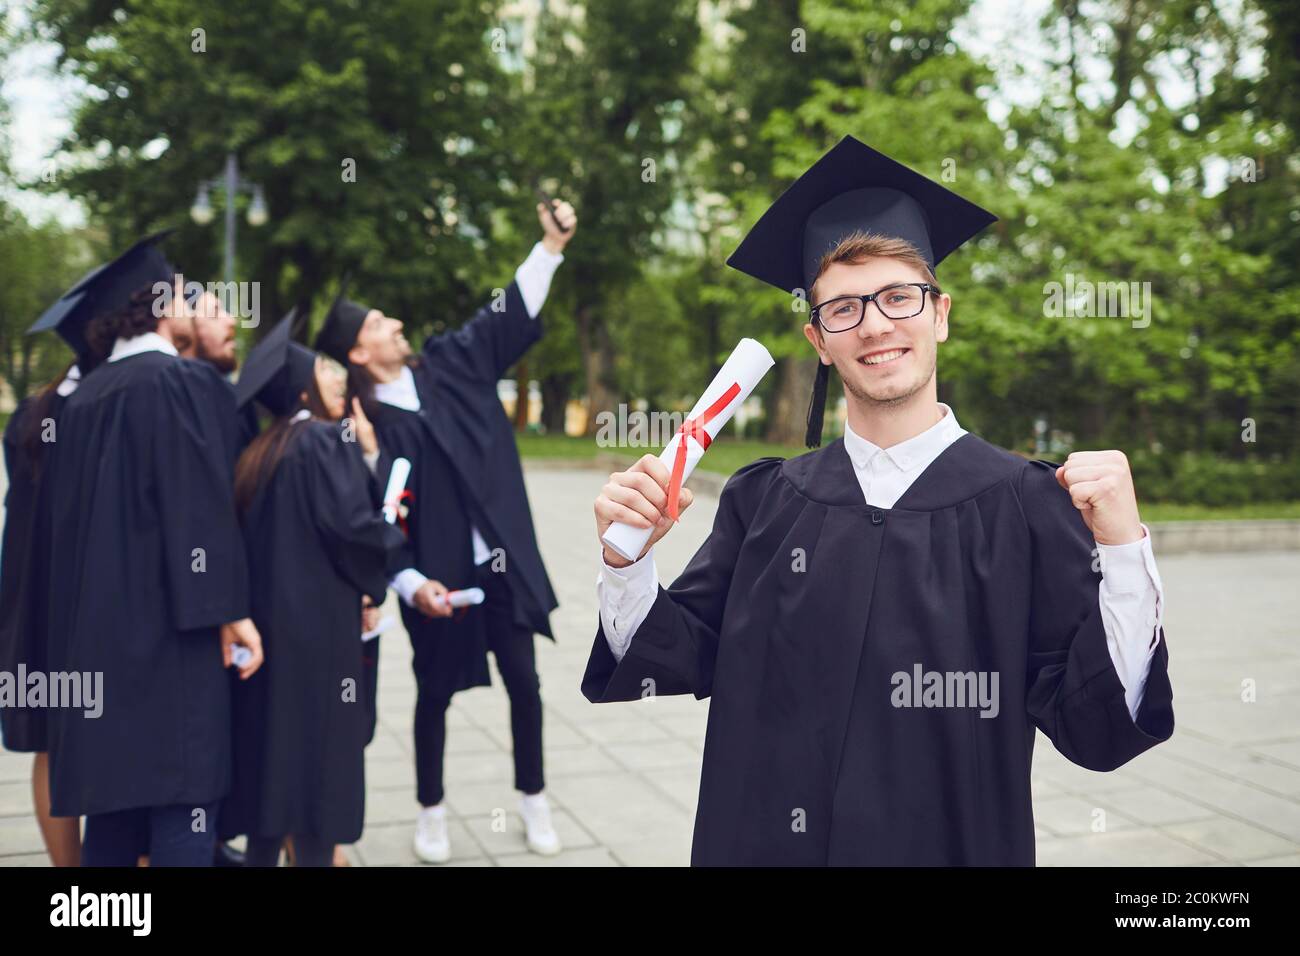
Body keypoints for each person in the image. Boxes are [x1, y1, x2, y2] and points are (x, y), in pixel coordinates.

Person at [586, 136, 1174, 866]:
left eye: (899, 296)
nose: (874, 323)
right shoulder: (766, 501)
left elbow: (1098, 727)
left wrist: (1124, 553)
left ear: (941, 315)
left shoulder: (1027, 505)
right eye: (843, 309)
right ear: (818, 340)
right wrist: (626, 559)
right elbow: (671, 657)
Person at [313, 198, 577, 862]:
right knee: (433, 695)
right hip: (437, 579)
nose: (396, 323)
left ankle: (534, 799)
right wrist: (407, 582)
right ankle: (430, 811)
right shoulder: (361, 426)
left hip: (501, 565)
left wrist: (549, 245)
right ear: (356, 349)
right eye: (380, 322)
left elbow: (503, 313)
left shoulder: (450, 366)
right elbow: (370, 518)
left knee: (526, 683)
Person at [41, 232, 264, 867]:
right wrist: (229, 610)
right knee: (182, 803)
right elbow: (193, 508)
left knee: (113, 817)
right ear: (162, 305)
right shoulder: (176, 383)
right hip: (170, 641)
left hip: (95, 643)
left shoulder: (81, 399)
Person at [221, 311, 405, 866]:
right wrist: (385, 551)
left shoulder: (258, 453)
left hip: (268, 641)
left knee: (270, 786)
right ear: (301, 385)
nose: (335, 379)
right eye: (323, 370)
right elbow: (356, 533)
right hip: (320, 647)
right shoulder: (324, 443)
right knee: (317, 787)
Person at [0, 289, 108, 866]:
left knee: (51, 742)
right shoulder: (101, 411)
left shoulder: (33, 414)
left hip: (32, 605)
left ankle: (70, 877)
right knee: (104, 739)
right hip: (83, 602)